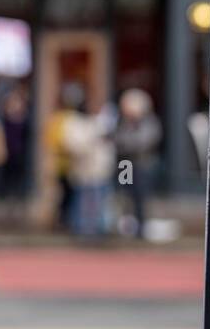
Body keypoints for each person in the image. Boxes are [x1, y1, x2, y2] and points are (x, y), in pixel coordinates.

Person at [62, 97, 116, 238]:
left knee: (101, 199)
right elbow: (72, 145)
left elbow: (109, 147)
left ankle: (99, 229)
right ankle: (81, 229)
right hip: (82, 170)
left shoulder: (102, 122)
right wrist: (90, 142)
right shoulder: (74, 123)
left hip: (100, 169)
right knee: (81, 200)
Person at [114, 88, 162, 238]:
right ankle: (126, 226)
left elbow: (144, 141)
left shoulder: (149, 122)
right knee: (126, 195)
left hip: (142, 165)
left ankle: (140, 228)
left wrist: (127, 143)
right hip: (126, 164)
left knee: (141, 196)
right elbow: (118, 139)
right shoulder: (123, 122)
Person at [42, 83, 85, 231]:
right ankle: (62, 222)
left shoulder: (73, 118)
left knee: (70, 195)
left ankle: (70, 221)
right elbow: (52, 141)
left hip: (75, 165)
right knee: (62, 196)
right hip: (62, 165)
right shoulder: (59, 119)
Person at [0, 81, 30, 226]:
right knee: (4, 188)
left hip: (19, 158)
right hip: (4, 159)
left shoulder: (25, 121)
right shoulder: (2, 121)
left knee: (18, 188)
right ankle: (3, 215)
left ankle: (16, 216)